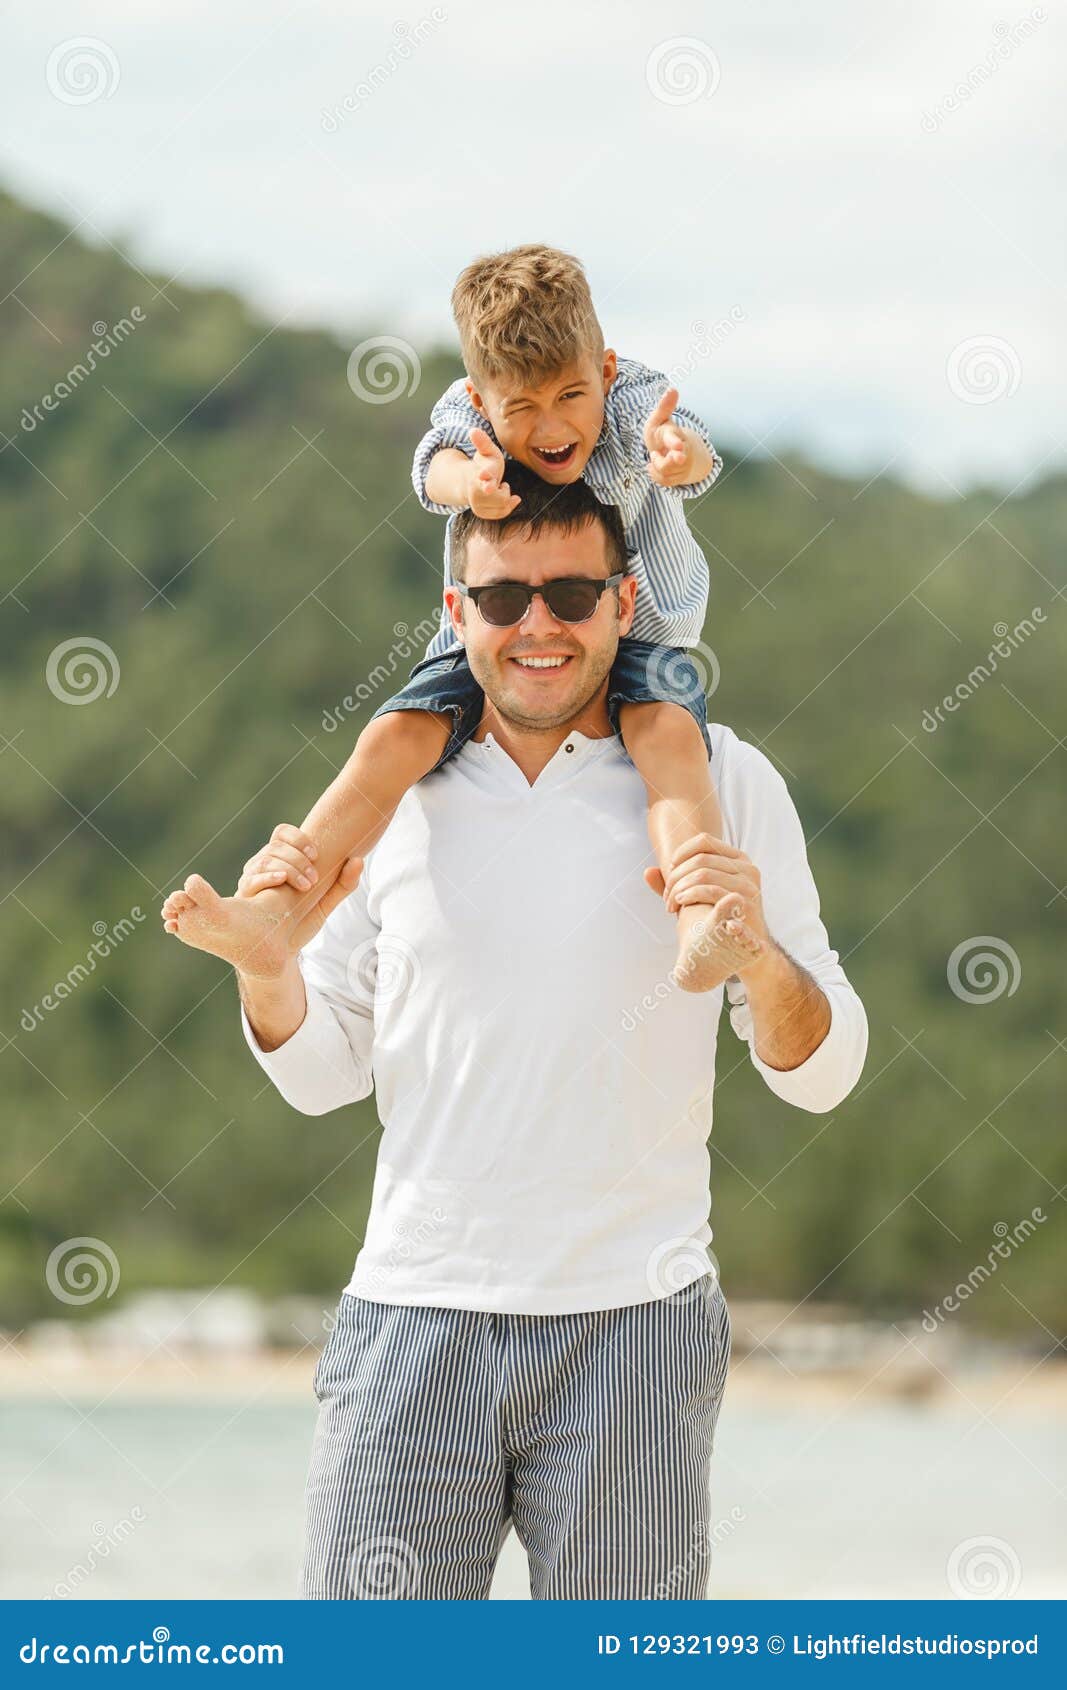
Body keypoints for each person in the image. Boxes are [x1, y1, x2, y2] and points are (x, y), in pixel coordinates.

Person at [170, 473, 868, 1601]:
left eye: (571, 592)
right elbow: (321, 1076)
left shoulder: (722, 779)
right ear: (455, 616)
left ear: (623, 601)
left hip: (636, 1333)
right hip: (410, 1323)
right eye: (501, 601)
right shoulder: (391, 798)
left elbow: (824, 1076)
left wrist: (757, 958)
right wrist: (268, 973)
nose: (537, 624)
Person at [161, 244, 734, 989]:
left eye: (569, 396)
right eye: (519, 408)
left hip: (643, 631)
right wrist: (473, 479)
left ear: (606, 371)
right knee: (392, 739)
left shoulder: (632, 402)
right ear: (480, 396)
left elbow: (693, 446)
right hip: (484, 642)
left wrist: (674, 457)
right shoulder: (466, 420)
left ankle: (700, 919)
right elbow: (431, 471)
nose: (550, 425)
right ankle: (271, 914)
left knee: (669, 740)